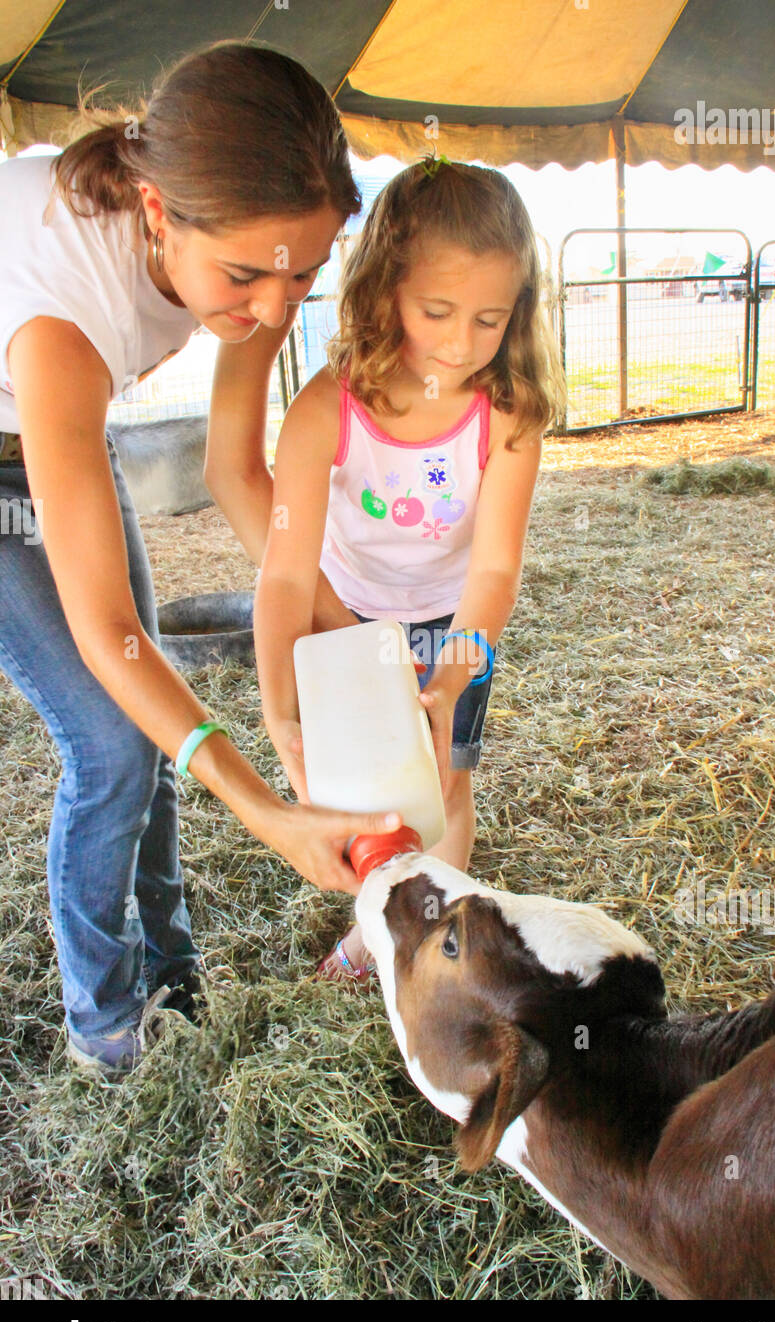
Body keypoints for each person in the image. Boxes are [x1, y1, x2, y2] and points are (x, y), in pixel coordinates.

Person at [0, 41, 402, 1073]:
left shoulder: (258, 247)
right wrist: (266, 811)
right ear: (154, 211)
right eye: (243, 276)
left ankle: (176, 974)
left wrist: (347, 642)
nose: (273, 310)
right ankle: (107, 1025)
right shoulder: (59, 319)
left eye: (306, 271)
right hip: (16, 445)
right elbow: (108, 636)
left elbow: (234, 470)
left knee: (161, 723)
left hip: (54, 438)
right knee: (112, 737)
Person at [256, 155, 565, 980]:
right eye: (437, 310)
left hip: (453, 625)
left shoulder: (508, 418)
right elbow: (285, 575)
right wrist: (278, 703)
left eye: (491, 320)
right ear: (385, 287)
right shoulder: (326, 409)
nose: (462, 343)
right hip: (349, 623)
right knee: (370, 790)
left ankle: (398, 945)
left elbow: (496, 568)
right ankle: (377, 917)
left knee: (446, 791)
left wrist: (458, 667)